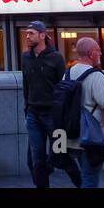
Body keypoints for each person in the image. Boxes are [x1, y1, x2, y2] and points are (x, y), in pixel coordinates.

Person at [20, 20, 79, 187]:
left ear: (42, 35)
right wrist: (27, 110)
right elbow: (26, 85)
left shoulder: (56, 58)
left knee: (63, 155)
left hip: (53, 117)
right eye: (27, 33)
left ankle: (83, 184)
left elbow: (64, 88)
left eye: (31, 33)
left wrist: (63, 115)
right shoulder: (26, 58)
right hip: (33, 115)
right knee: (35, 160)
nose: (27, 36)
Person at [68, 37, 104, 188]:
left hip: (73, 133)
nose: (100, 53)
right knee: (90, 177)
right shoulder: (96, 76)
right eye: (98, 50)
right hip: (92, 136)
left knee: (85, 174)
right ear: (91, 53)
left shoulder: (68, 73)